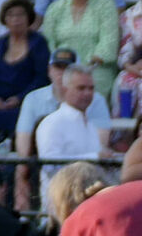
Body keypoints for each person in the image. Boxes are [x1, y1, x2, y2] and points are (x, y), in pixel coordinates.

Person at [43, 0, 122, 98]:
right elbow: (48, 41)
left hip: (95, 68)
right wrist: (60, 65)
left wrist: (85, 68)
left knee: (85, 90)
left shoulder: (106, 4)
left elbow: (109, 41)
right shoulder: (55, 8)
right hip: (62, 67)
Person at [34, 65, 109, 202]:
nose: (87, 93)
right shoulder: (52, 123)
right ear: (65, 89)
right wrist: (94, 157)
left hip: (86, 205)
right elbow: (50, 165)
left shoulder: (90, 126)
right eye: (81, 88)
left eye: (91, 88)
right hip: (60, 207)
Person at [0, 0, 48, 137]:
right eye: (11, 15)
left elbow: (41, 78)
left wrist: (19, 98)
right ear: (5, 19)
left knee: (22, 116)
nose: (16, 19)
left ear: (29, 18)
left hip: (25, 102)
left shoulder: (39, 43)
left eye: (20, 14)